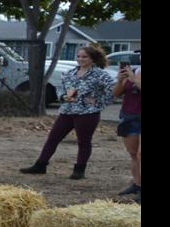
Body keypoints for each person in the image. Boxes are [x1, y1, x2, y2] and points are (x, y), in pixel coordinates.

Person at [20, 44, 116, 179]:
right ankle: (40, 165)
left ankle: (79, 170)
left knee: (83, 141)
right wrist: (63, 97)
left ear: (93, 59)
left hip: (87, 113)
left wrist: (99, 102)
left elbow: (113, 91)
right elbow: (61, 88)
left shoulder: (100, 75)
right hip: (67, 111)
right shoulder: (69, 73)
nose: (81, 59)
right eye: (79, 56)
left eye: (84, 57)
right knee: (53, 138)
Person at [113, 58, 140, 201]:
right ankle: (137, 184)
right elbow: (116, 94)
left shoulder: (133, 75)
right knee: (133, 154)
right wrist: (120, 80)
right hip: (130, 117)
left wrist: (134, 79)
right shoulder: (133, 72)